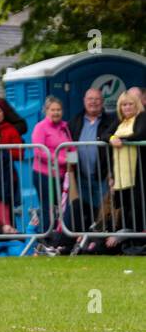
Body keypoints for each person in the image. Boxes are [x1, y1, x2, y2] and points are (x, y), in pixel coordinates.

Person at [66, 87, 116, 235]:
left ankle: (100, 241)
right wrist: (70, 171)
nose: (93, 102)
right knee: (81, 211)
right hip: (81, 177)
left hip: (103, 177)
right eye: (90, 99)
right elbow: (68, 145)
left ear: (102, 102)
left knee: (102, 212)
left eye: (97, 99)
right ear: (84, 101)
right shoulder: (75, 121)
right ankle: (82, 242)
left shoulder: (111, 121)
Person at [31, 96, 73, 237]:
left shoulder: (65, 126)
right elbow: (39, 151)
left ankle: (60, 237)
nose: (56, 113)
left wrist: (73, 162)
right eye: (53, 110)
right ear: (46, 111)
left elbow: (71, 147)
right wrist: (63, 160)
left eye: (59, 110)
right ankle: (46, 237)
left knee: (63, 207)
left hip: (63, 175)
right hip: (44, 174)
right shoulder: (40, 127)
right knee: (47, 207)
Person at [104, 90, 146, 232]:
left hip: (139, 172)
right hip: (121, 174)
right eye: (124, 105)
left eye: (130, 104)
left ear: (136, 105)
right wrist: (111, 139)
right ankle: (128, 242)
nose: (127, 107)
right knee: (125, 207)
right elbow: (105, 134)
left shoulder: (142, 117)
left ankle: (139, 241)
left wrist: (121, 140)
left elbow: (140, 134)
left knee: (138, 207)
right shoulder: (120, 120)